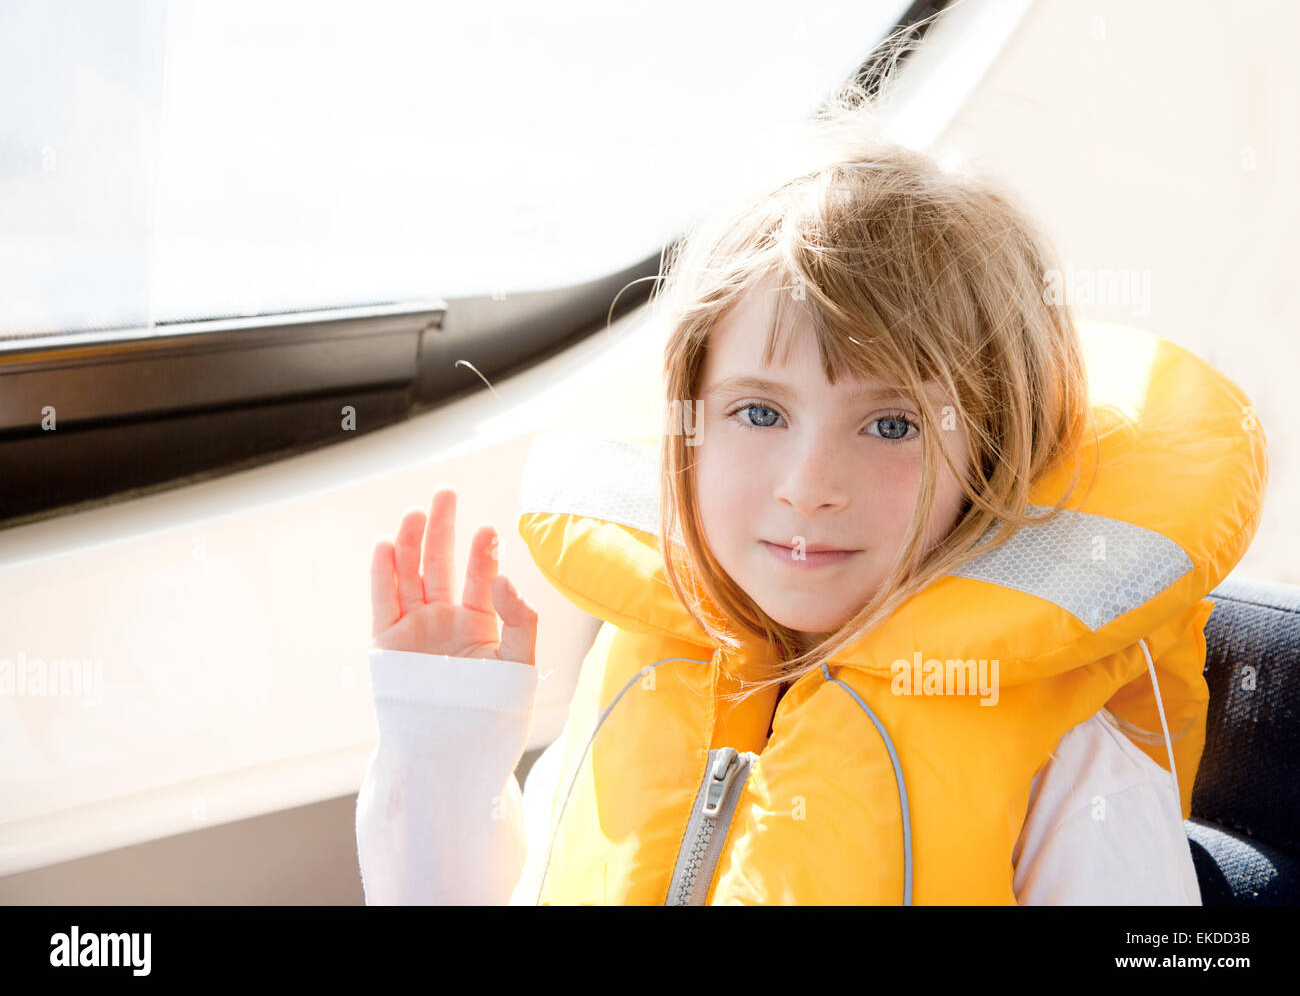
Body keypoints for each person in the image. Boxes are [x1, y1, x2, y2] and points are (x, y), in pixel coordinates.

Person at [355, 65, 1260, 905]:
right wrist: (446, 752)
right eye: (759, 413)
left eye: (893, 424)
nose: (810, 485)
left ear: (991, 457)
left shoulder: (1073, 769)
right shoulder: (633, 679)